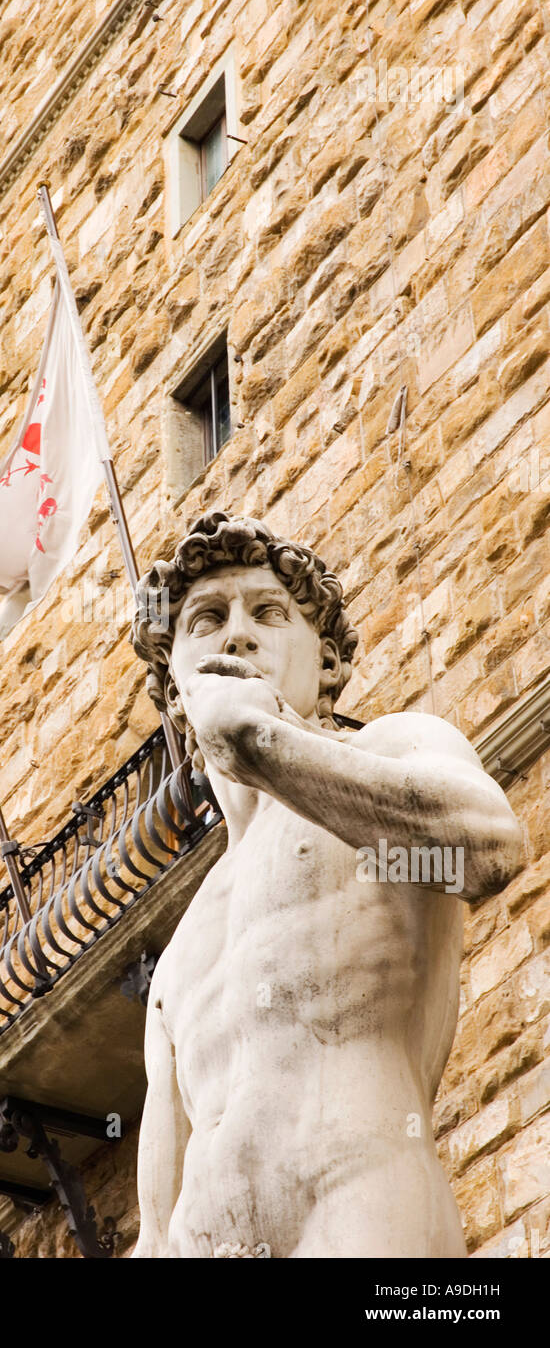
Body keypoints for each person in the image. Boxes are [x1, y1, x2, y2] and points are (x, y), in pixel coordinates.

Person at [129, 512, 522, 1258]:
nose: (237, 635)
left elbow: (489, 846)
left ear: (331, 665)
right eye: (207, 619)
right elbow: (153, 1227)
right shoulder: (176, 957)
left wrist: (266, 743)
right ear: (176, 694)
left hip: (362, 1210)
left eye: (268, 613)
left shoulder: (397, 747)